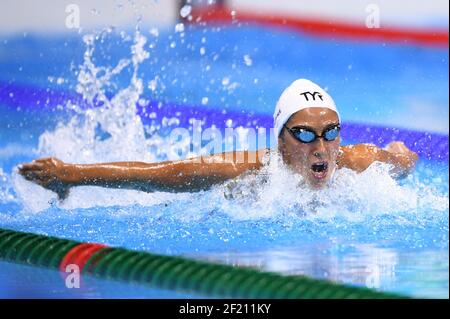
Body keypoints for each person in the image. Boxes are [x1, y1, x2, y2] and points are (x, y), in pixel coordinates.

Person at [18, 79, 418, 200]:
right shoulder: (244, 170)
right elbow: (158, 174)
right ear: (281, 142)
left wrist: (402, 157)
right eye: (304, 134)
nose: (321, 148)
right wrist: (69, 173)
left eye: (331, 133)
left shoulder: (357, 161)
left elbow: (401, 161)